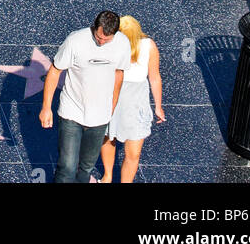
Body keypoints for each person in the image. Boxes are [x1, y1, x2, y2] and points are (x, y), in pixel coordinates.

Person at [39, 10, 131, 184]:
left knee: (86, 167)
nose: (101, 42)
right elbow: (55, 70)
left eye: (107, 39)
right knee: (67, 167)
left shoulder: (122, 44)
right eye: (98, 37)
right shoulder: (75, 41)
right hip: (71, 113)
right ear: (94, 28)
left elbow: (119, 73)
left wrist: (112, 104)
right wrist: (46, 108)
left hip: (100, 117)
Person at [99, 16, 165, 183]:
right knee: (108, 136)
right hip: (111, 96)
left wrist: (158, 106)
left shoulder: (148, 46)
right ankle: (107, 176)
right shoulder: (110, 46)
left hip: (136, 102)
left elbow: (155, 77)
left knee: (133, 152)